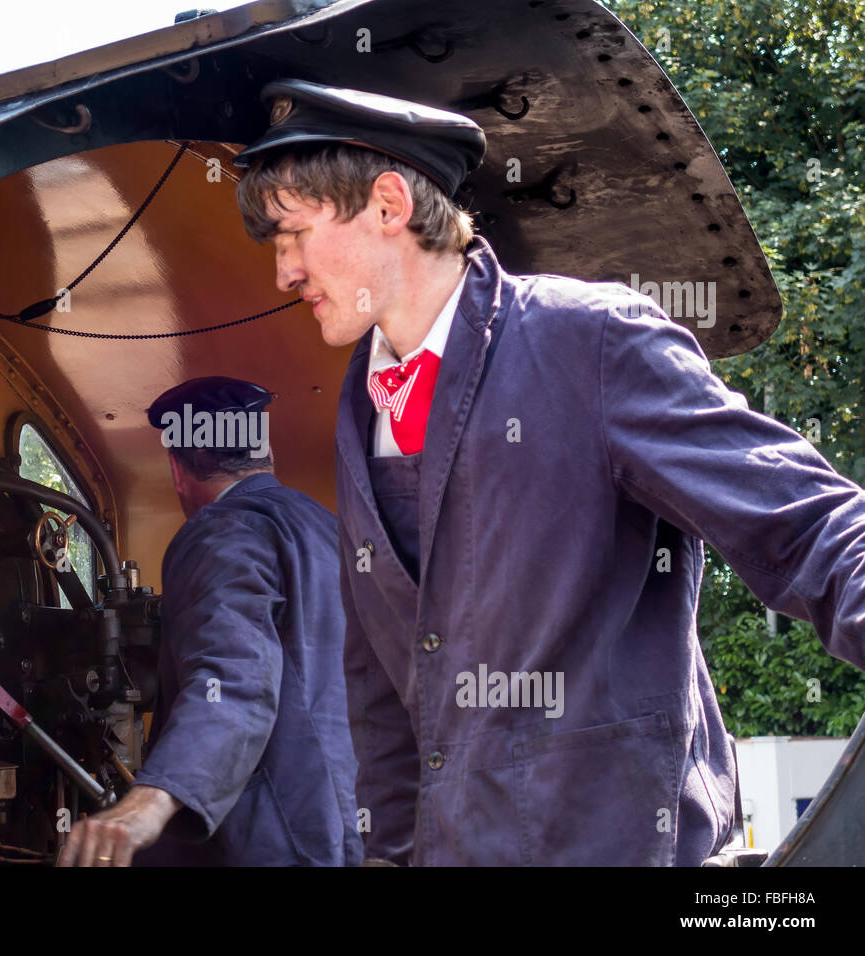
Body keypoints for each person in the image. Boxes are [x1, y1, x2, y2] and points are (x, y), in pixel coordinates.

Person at [231, 78, 865, 866]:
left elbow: (808, 525)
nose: (283, 273)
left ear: (389, 204)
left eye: (292, 234)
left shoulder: (591, 341)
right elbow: (381, 685)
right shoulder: (361, 407)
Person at [57, 376, 362, 866]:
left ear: (177, 469)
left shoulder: (221, 532)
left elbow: (235, 677)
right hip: (343, 825)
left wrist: (152, 799)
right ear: (265, 455)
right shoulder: (326, 528)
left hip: (264, 842)